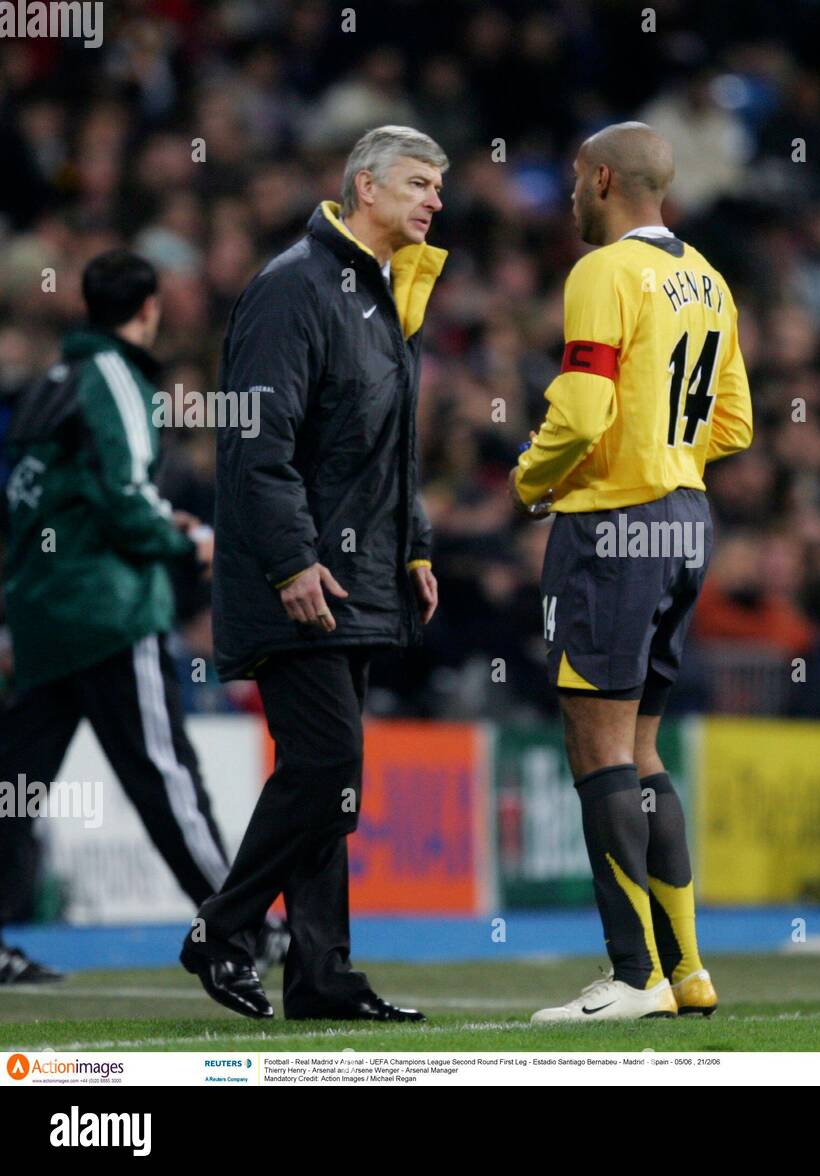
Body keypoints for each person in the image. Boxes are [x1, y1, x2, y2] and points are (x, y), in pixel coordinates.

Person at [180, 126, 444, 1021]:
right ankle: (224, 928)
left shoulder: (381, 294)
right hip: (296, 575)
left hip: (361, 574)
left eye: (439, 187)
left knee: (329, 780)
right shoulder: (294, 286)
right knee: (329, 760)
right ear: (365, 187)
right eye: (418, 183)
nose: (434, 201)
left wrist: (415, 544)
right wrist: (293, 558)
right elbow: (256, 442)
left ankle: (323, 977)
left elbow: (392, 445)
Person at [510, 123, 753, 1021]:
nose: (572, 195)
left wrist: (529, 479)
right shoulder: (711, 282)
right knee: (643, 748)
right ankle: (687, 970)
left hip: (614, 523)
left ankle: (633, 973)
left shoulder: (604, 272)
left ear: (604, 179)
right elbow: (734, 424)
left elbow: (578, 411)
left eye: (576, 179)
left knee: (598, 748)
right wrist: (667, 455)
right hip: (687, 519)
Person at [0, 249, 286, 984]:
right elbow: (126, 498)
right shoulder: (116, 379)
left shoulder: (45, 386)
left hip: (40, 615)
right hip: (109, 613)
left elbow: (36, 507)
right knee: (165, 778)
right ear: (148, 309)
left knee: (14, 784)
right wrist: (184, 538)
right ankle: (239, 923)